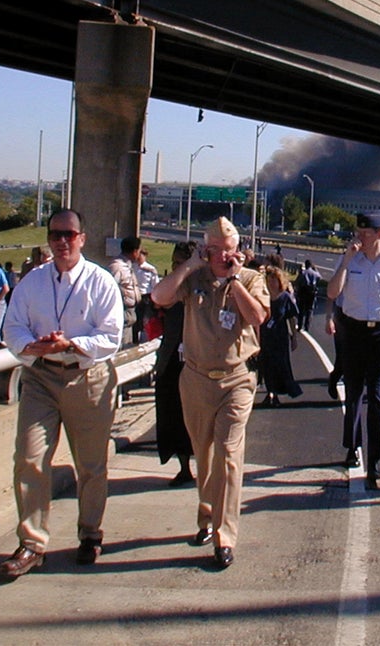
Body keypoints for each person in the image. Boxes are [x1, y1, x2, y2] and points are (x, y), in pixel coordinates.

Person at [0, 208, 124, 578]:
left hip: (87, 378)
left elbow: (110, 337)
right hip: (40, 378)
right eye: (56, 235)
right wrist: (33, 347)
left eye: (70, 234)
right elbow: (13, 328)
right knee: (29, 458)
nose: (62, 241)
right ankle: (32, 544)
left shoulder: (100, 282)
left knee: (90, 465)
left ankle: (90, 534)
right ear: (49, 239)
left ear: (82, 238)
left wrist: (71, 343)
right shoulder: (32, 283)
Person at [151, 216, 268, 570]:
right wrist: (189, 265)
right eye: (213, 250)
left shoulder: (250, 279)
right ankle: (206, 514)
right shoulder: (194, 279)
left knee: (228, 455)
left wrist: (234, 282)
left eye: (226, 250)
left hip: (236, 380)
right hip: (197, 379)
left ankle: (225, 536)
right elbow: (159, 296)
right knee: (203, 455)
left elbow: (258, 317)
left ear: (238, 251)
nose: (220, 256)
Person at [324, 211, 380, 490]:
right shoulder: (350, 260)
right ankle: (353, 447)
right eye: (358, 232)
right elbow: (332, 293)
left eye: (366, 233)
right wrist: (347, 261)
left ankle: (374, 462)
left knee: (377, 398)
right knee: (354, 393)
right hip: (353, 331)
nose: (360, 237)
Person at [153, 241, 196, 487]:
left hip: (196, 360)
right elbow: (159, 299)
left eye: (181, 263)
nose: (176, 268)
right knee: (172, 415)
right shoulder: (170, 288)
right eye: (174, 263)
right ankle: (183, 467)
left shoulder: (201, 287)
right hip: (171, 359)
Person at [257, 265, 302, 407]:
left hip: (280, 337)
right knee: (265, 365)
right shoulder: (262, 296)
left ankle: (276, 392)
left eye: (274, 280)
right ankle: (270, 392)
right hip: (264, 336)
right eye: (269, 280)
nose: (271, 283)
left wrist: (294, 337)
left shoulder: (285, 298)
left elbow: (291, 318)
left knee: (279, 365)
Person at [107, 237, 144, 342]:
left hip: (130, 314)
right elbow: (110, 289)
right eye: (139, 251)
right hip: (122, 312)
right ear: (135, 251)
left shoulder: (128, 266)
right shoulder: (117, 267)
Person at [293, 259, 322, 332]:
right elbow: (320, 278)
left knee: (301, 310)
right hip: (311, 293)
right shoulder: (315, 273)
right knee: (309, 310)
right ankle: (307, 327)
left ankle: (299, 326)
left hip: (303, 292)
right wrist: (316, 269)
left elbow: (297, 282)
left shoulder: (303, 273)